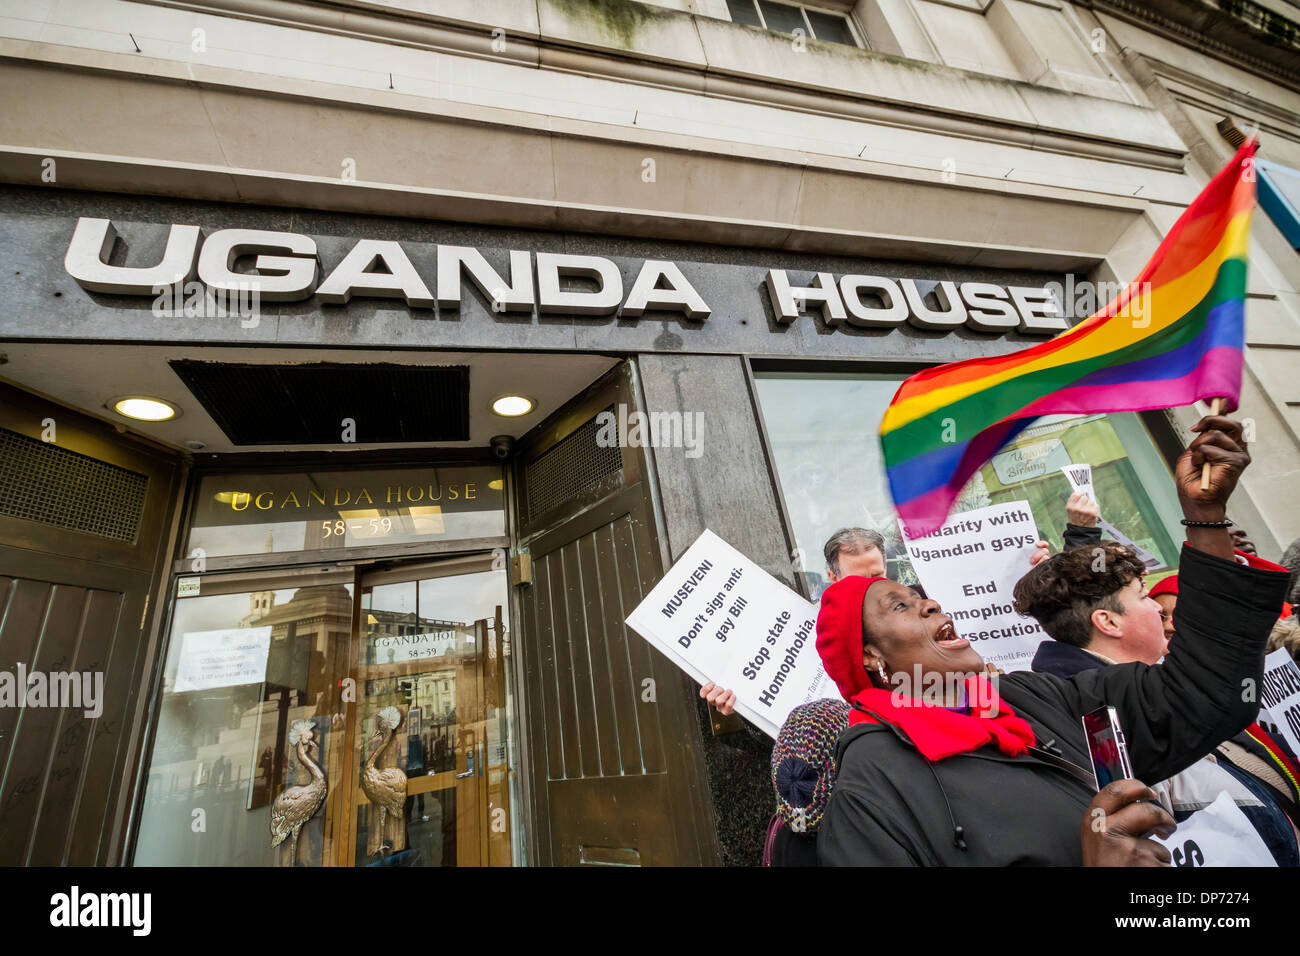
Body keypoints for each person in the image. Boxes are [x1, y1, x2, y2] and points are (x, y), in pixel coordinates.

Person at [814, 414, 1290, 865]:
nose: (930, 604)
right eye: (899, 606)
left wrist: (1204, 518)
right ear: (872, 656)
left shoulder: (1030, 696)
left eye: (919, 597)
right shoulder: (869, 793)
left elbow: (1201, 694)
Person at [1016, 550, 1300, 865]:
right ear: (1109, 622)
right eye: (1144, 595)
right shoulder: (1103, 723)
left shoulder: (1146, 691)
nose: (1156, 609)